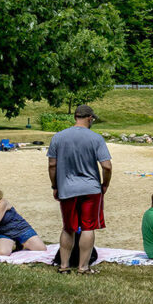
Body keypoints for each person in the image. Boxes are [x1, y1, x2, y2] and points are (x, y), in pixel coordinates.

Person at [47, 104, 111, 274]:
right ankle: (83, 267)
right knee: (88, 227)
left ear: (75, 117)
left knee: (68, 227)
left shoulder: (58, 137)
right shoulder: (96, 138)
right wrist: (105, 184)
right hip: (91, 188)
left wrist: (55, 186)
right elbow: (107, 166)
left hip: (66, 188)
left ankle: (64, 266)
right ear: (90, 118)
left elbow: (52, 165)